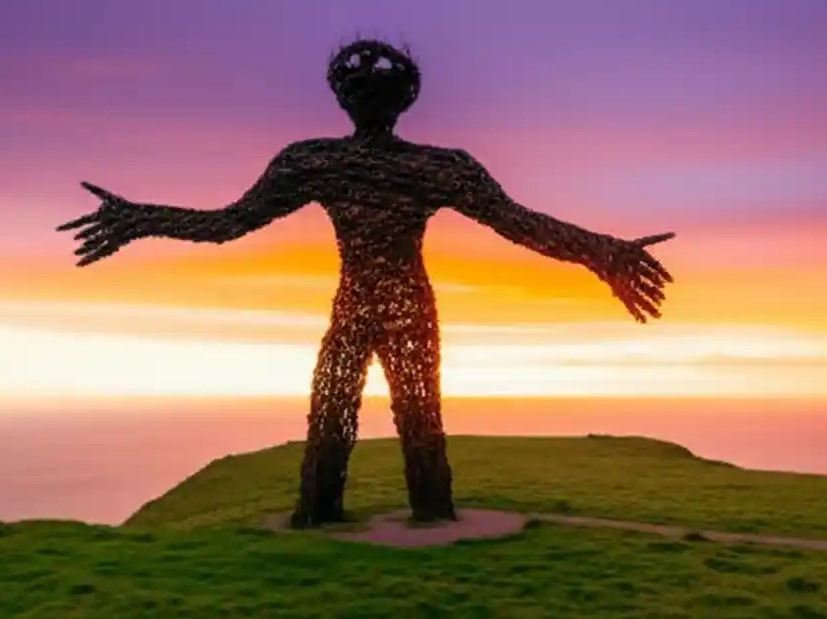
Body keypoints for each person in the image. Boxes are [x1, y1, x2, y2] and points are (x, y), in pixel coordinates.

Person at [57, 39, 675, 528]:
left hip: (365, 306)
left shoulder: (318, 160)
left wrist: (141, 220)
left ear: (344, 98)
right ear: (404, 99)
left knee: (357, 419)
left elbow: (227, 225)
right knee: (398, 420)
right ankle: (417, 515)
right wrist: (604, 253)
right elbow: (521, 226)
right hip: (398, 307)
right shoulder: (435, 167)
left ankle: (329, 516)